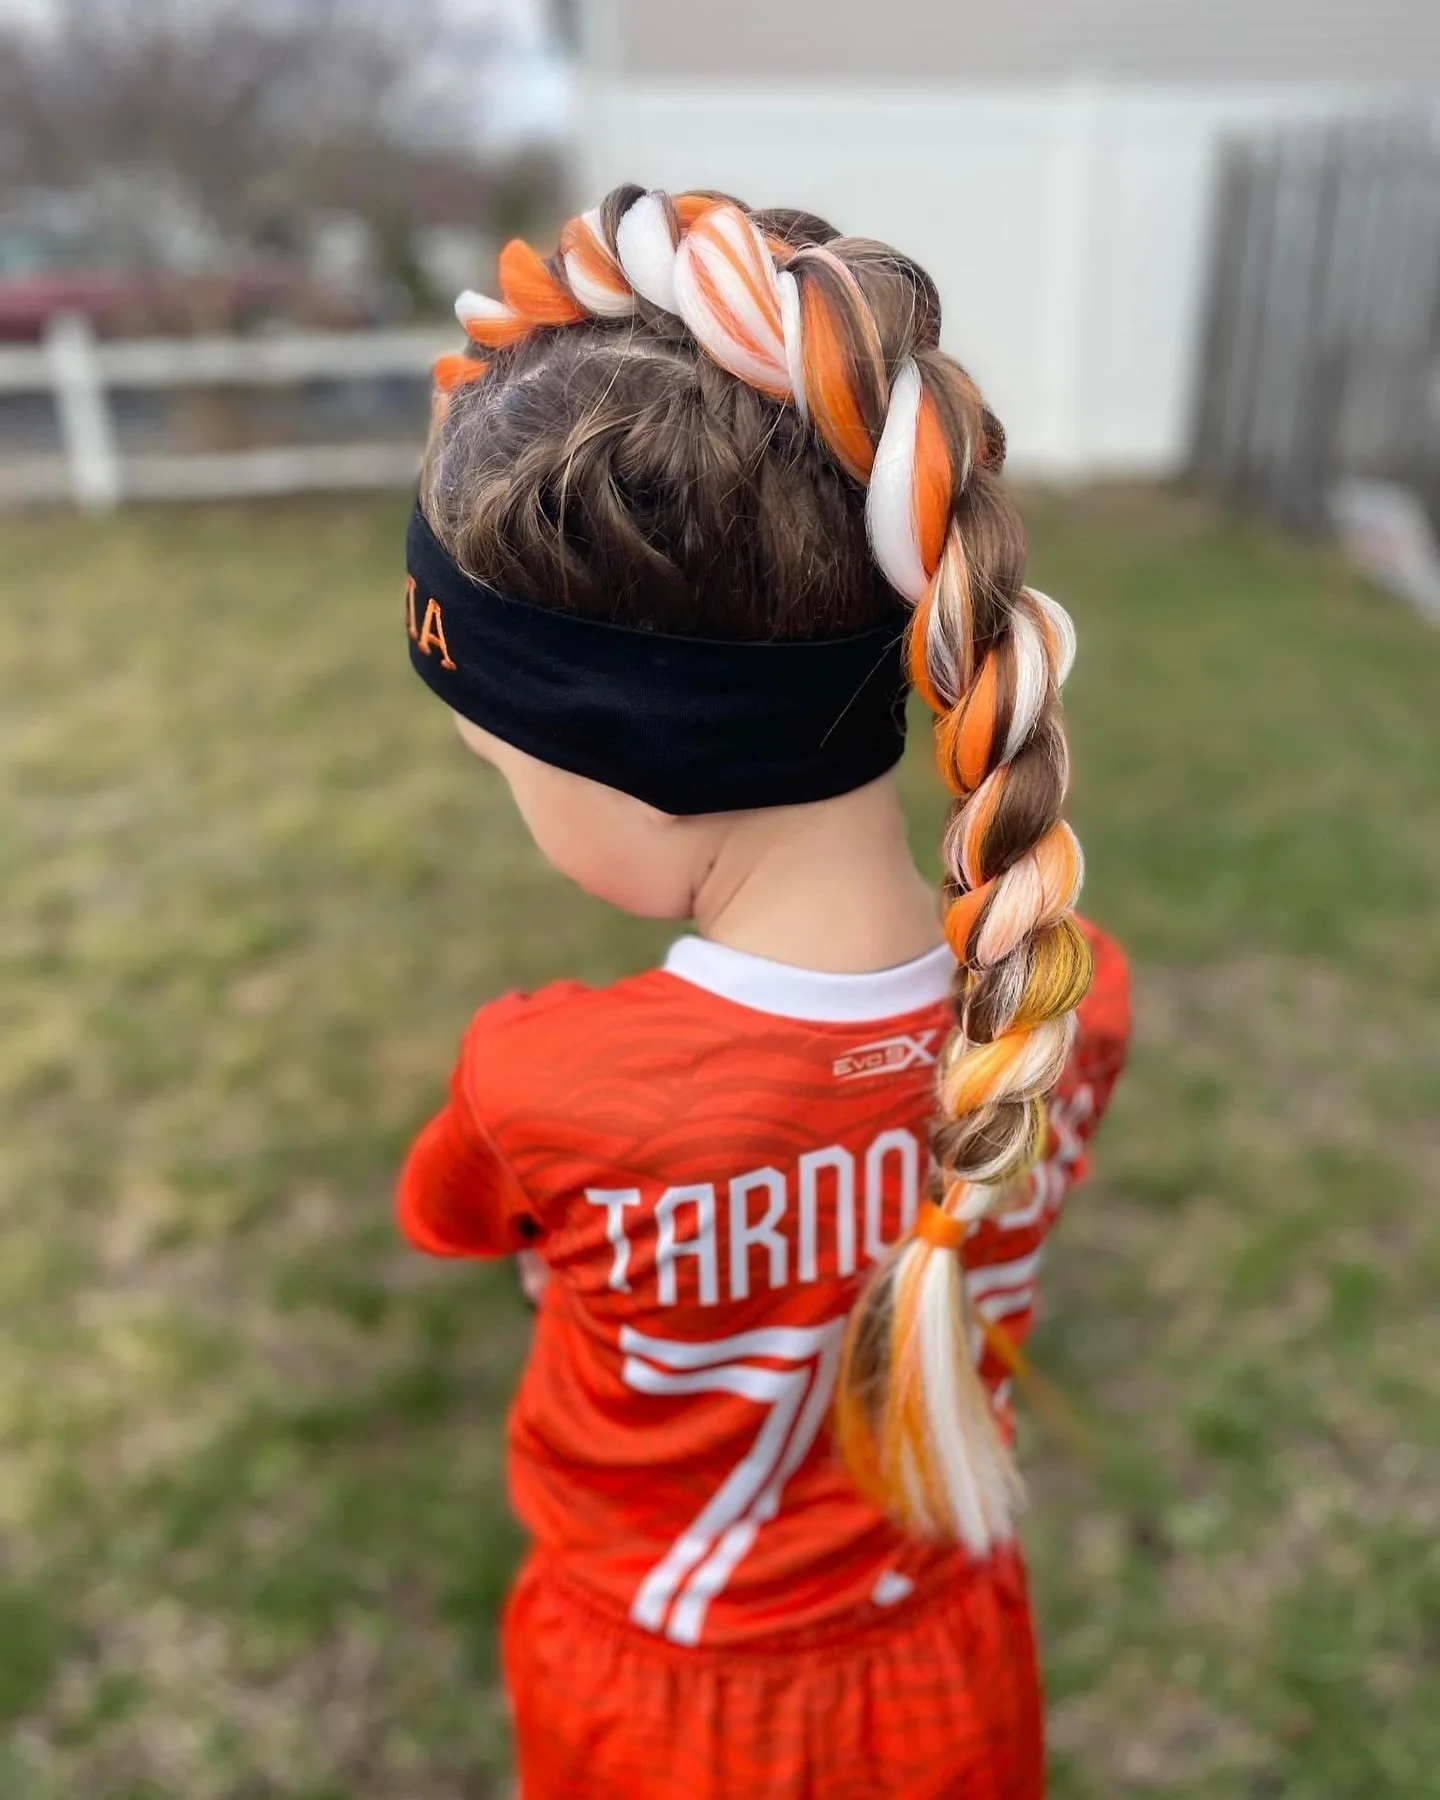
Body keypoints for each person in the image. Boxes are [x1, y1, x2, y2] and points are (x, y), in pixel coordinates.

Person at [396, 187, 1131, 1800]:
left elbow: (465, 1231)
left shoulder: (546, 1087)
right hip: (952, 1662)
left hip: (661, 1710)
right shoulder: (1070, 997)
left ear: (628, 763)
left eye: (499, 766)